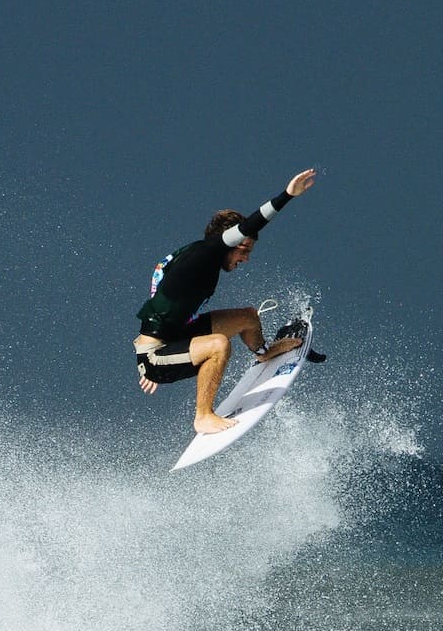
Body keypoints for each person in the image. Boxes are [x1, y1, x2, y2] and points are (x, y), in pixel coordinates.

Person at [134, 168, 317, 433]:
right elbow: (249, 225)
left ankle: (264, 353)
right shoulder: (203, 255)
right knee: (218, 345)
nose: (246, 258)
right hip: (154, 354)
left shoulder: (192, 257)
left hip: (175, 338)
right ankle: (203, 417)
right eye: (244, 250)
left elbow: (160, 291)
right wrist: (287, 195)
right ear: (227, 242)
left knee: (248, 317)